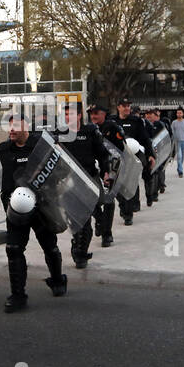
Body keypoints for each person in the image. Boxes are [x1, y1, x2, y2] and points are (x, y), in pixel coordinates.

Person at [0, 115, 67, 311]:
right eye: (9, 127)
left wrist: (54, 189)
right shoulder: (3, 149)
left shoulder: (42, 146)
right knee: (13, 249)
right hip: (15, 208)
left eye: (16, 126)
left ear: (26, 127)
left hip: (42, 207)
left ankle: (58, 280)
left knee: (49, 246)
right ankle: (18, 295)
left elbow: (61, 170)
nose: (11, 130)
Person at [57, 103, 112, 269]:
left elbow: (102, 154)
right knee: (75, 221)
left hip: (88, 181)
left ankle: (81, 253)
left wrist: (106, 172)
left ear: (80, 115)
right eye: (65, 115)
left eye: (71, 114)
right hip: (68, 185)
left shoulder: (90, 132)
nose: (68, 118)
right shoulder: (60, 134)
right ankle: (77, 244)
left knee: (85, 222)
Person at [88, 105, 125, 247]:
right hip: (93, 169)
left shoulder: (112, 127)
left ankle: (107, 234)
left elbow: (121, 150)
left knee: (109, 200)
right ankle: (99, 220)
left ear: (104, 114)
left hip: (111, 168)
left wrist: (110, 172)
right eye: (91, 114)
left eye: (96, 113)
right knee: (92, 199)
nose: (93, 116)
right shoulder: (89, 129)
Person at [113, 98, 153, 225]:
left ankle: (128, 214)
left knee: (131, 184)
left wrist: (150, 154)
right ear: (118, 107)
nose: (126, 108)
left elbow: (145, 139)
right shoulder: (112, 121)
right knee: (118, 186)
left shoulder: (136, 121)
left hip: (133, 158)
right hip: (117, 158)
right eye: (124, 106)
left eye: (128, 106)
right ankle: (124, 207)